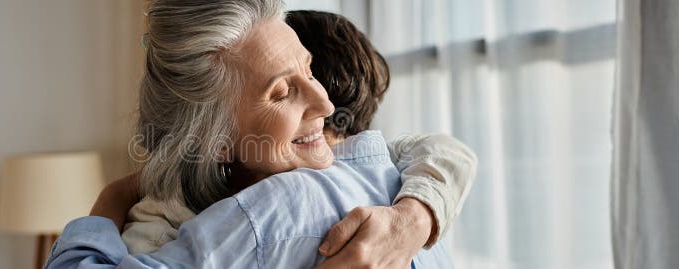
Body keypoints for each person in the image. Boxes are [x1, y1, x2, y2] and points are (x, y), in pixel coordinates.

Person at [46, 1, 476, 268]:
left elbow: (442, 150)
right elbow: (440, 151)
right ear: (210, 140)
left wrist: (112, 198)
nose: (326, 107)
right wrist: (414, 215)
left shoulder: (277, 209)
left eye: (309, 70)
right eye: (282, 92)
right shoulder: (375, 173)